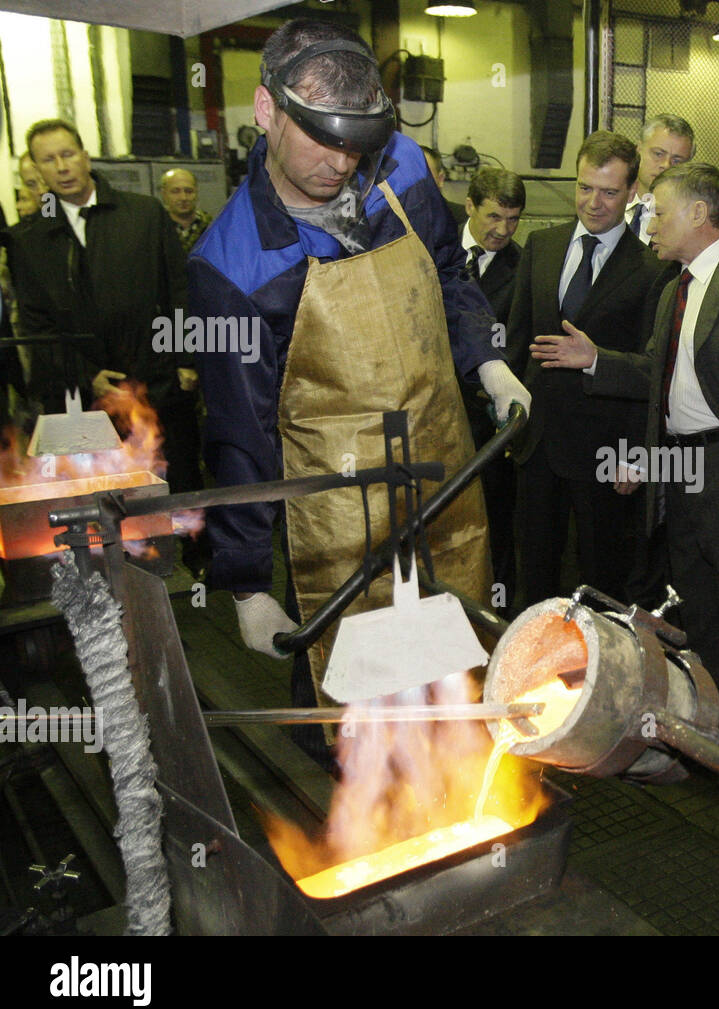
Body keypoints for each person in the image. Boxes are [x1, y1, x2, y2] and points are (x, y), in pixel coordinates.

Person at [188, 20, 529, 748]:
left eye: (355, 141)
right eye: (320, 138)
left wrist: (488, 360)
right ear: (266, 111)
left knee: (454, 665)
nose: (341, 162)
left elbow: (446, 271)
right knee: (357, 698)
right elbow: (240, 434)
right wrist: (246, 581)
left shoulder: (401, 166)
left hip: (441, 467)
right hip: (340, 509)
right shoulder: (231, 263)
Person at [530, 162, 719, 766]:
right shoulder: (674, 290)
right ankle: (708, 733)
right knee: (698, 611)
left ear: (699, 214)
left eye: (659, 212)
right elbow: (657, 379)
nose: (649, 225)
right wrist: (599, 363)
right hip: (681, 469)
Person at [505, 130, 663, 607]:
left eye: (609, 192)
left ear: (632, 193)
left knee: (601, 575)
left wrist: (637, 454)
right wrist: (511, 420)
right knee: (535, 572)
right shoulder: (542, 246)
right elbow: (516, 342)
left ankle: (602, 672)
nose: (594, 202)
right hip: (537, 446)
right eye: (584, 187)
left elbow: (652, 373)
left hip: (606, 453)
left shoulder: (653, 269)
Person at [7, 119, 202, 495]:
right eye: (48, 160)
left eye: (67, 154)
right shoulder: (30, 240)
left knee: (180, 485)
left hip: (157, 383)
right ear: (36, 169)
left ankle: (198, 554)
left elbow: (179, 289)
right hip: (84, 399)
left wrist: (186, 361)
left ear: (85, 155)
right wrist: (84, 375)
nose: (61, 167)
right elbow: (36, 327)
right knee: (105, 495)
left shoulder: (143, 216)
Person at [459, 166, 526, 607]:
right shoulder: (434, 252)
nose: (503, 230)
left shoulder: (525, 267)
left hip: (491, 423)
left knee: (497, 526)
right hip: (434, 412)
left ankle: (494, 618)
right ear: (469, 206)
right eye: (493, 217)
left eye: (513, 220)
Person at [625, 114, 694, 246]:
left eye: (677, 160)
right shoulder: (609, 203)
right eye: (658, 154)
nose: (666, 165)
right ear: (638, 150)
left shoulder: (688, 222)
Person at [159, 168, 213, 253]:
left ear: (196, 193)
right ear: (164, 194)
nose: (183, 197)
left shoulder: (211, 226)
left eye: (189, 191)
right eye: (175, 191)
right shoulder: (157, 227)